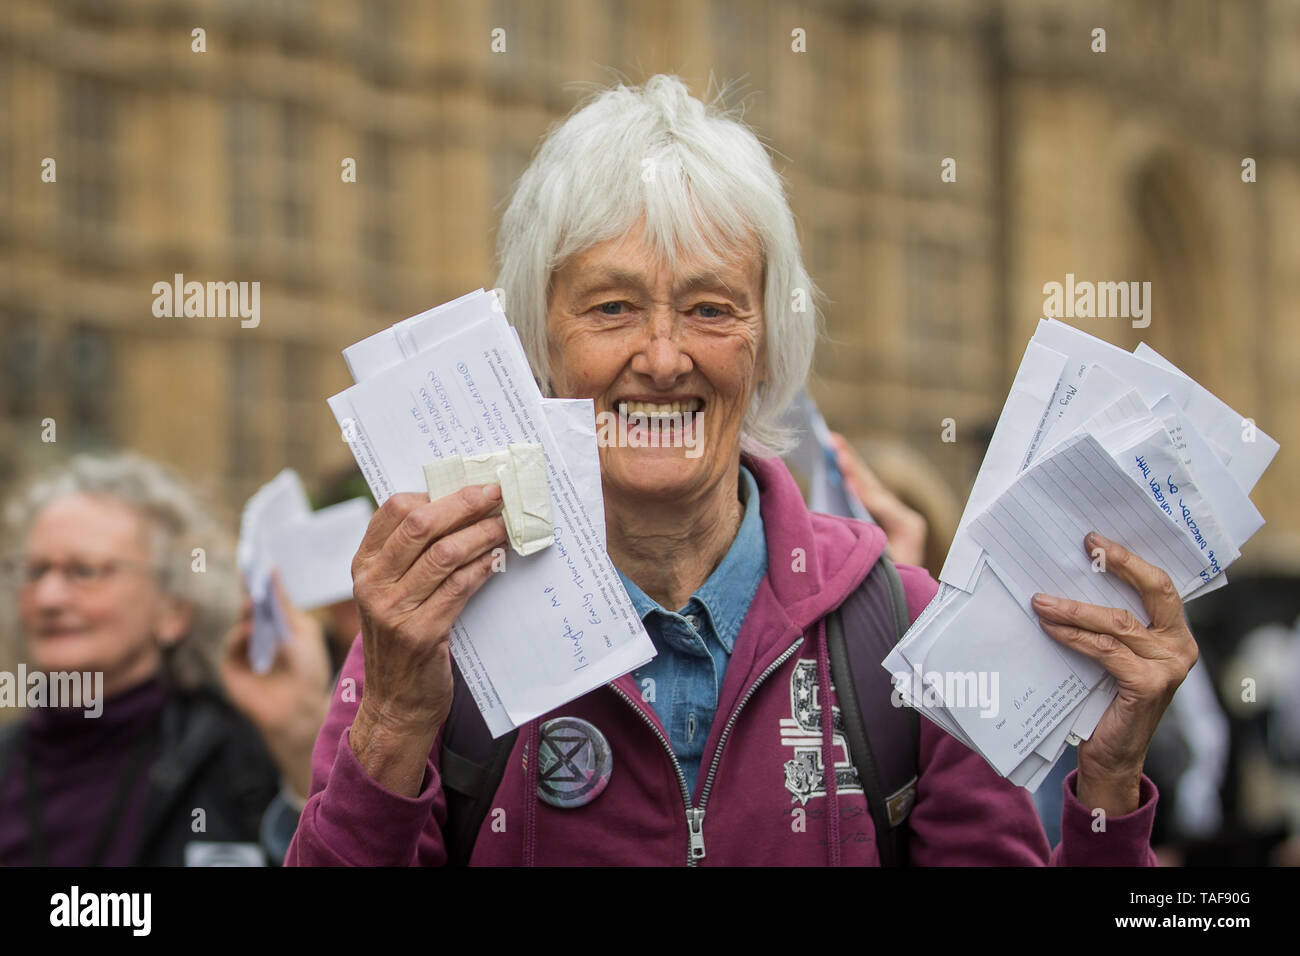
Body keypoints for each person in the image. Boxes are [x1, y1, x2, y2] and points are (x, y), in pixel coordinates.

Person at [287, 75, 1197, 866]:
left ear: (769, 347)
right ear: (538, 349)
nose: (663, 354)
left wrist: (1110, 787)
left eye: (711, 308)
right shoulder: (432, 638)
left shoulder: (908, 632)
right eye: (611, 307)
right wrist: (397, 724)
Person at [0, 452, 329, 865]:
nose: (48, 598)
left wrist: (302, 746)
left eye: (84, 571)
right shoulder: (9, 762)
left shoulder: (245, 758)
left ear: (174, 608)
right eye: (34, 572)